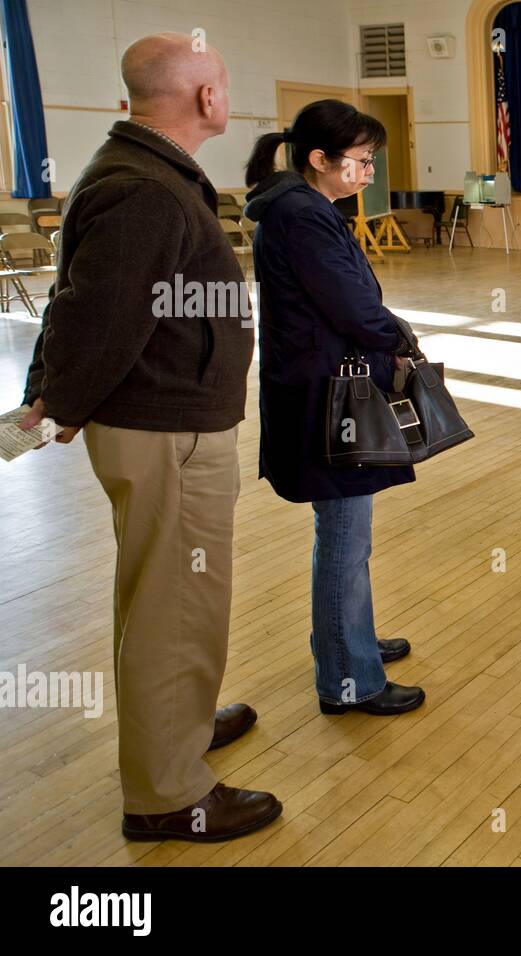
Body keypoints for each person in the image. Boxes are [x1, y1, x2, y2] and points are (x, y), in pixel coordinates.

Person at [18, 33, 281, 842]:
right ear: (206, 99)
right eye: (225, 84)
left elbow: (74, 299)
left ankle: (181, 724)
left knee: (173, 596)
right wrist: (58, 403)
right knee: (174, 604)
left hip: (171, 422)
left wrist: (54, 394)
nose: (228, 97)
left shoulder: (144, 171)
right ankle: (168, 794)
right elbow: (100, 315)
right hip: (164, 427)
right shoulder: (144, 186)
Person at [244, 100, 427, 717]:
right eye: (361, 160)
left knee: (348, 533)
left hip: (323, 385)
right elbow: (350, 306)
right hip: (328, 396)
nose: (370, 172)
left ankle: (346, 639)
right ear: (319, 160)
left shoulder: (307, 208)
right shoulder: (301, 215)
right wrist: (399, 335)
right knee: (345, 535)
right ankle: (349, 677)